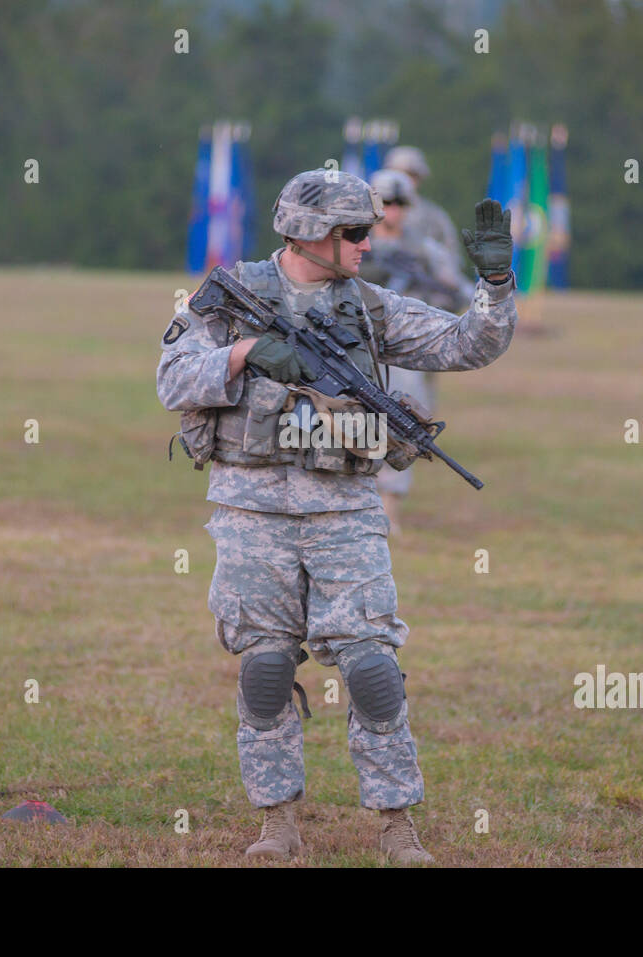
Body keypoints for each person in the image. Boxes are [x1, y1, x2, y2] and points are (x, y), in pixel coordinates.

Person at [157, 169, 516, 864]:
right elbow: (171, 378)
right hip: (250, 507)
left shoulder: (371, 308)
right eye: (354, 232)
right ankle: (277, 823)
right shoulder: (232, 294)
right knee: (265, 669)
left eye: (368, 230)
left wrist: (496, 286)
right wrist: (244, 352)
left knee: (374, 670)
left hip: (346, 509)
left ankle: (397, 827)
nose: (367, 244)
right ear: (310, 234)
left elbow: (467, 344)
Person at [359, 168, 466, 533]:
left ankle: (390, 508)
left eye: (399, 203)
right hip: (355, 348)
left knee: (401, 423)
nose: (392, 211)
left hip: (402, 351)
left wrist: (432, 302)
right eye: (385, 202)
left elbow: (456, 292)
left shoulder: (425, 250)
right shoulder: (354, 243)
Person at [383, 145, 464, 274]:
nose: (402, 180)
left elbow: (452, 260)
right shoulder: (370, 210)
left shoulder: (434, 217)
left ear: (419, 178)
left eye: (410, 175)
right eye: (396, 173)